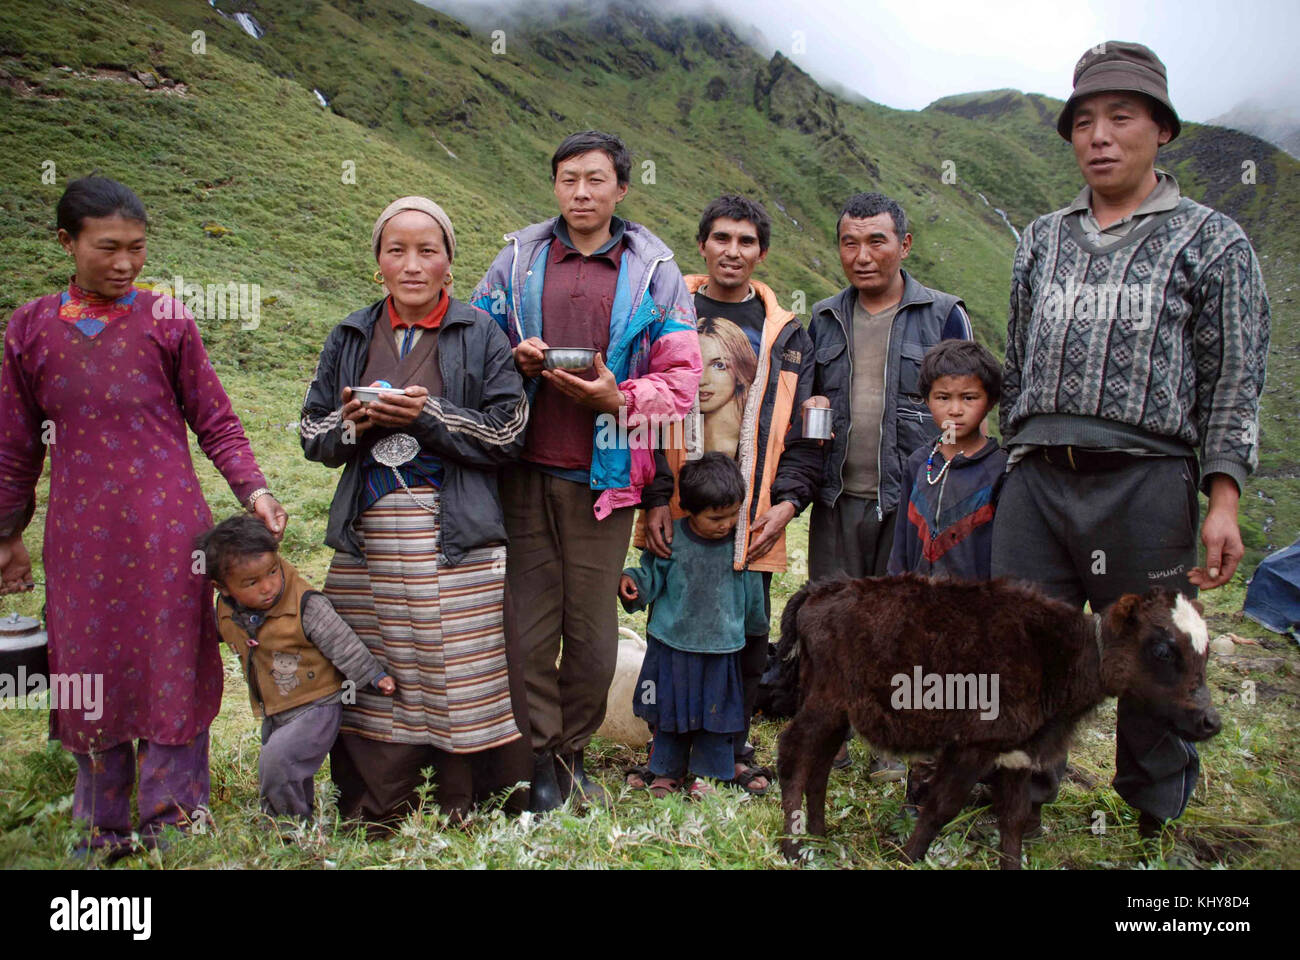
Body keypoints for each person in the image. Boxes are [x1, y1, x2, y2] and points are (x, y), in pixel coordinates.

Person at [993, 41, 1271, 835]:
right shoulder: (1042, 239)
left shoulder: (1213, 241)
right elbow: (1018, 356)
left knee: (1156, 649)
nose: (1099, 136)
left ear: (1162, 130)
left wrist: (1223, 498)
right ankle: (1019, 798)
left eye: (1121, 118)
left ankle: (1154, 816)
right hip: (1039, 477)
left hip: (1147, 480)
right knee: (1026, 645)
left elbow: (1234, 378)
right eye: (1083, 121)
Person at [0, 176, 287, 858]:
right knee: (89, 668)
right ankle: (102, 825)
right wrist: (7, 533)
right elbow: (13, 445)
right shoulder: (32, 328)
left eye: (136, 247)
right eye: (108, 248)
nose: (125, 262)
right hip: (77, 538)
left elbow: (215, 421)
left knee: (173, 666)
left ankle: (173, 819)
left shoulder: (167, 320)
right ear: (67, 242)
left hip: (169, 534)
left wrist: (255, 490)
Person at [471, 131, 701, 811]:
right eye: (568, 178)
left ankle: (571, 753)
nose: (581, 191)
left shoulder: (655, 269)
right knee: (527, 630)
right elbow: (473, 341)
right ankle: (539, 762)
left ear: (621, 189)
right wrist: (513, 357)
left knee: (594, 636)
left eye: (595, 179)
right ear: (555, 185)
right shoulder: (516, 260)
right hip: (521, 470)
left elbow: (682, 381)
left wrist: (618, 398)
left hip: (605, 479)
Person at [300, 195, 530, 830]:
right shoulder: (350, 333)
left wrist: (428, 418)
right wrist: (352, 423)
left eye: (427, 250)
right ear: (378, 262)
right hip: (370, 534)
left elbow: (510, 433)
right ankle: (378, 807)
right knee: (377, 666)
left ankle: (467, 803)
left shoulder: (479, 333)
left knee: (455, 664)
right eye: (396, 250)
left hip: (454, 534)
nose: (411, 263)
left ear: (449, 264)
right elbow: (311, 432)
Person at [635, 194, 821, 795]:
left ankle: (729, 750)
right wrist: (656, 497)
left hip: (753, 514)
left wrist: (787, 503)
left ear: (761, 252)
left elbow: (801, 433)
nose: (732, 251)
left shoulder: (785, 334)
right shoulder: (668, 310)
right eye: (721, 238)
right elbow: (643, 407)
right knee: (672, 627)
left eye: (745, 241)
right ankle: (669, 749)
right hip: (677, 508)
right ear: (703, 244)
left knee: (744, 634)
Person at [808, 191, 973, 774]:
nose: (862, 254)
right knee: (834, 620)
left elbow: (965, 406)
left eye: (876, 240)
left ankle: (896, 745)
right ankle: (838, 733)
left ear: (903, 245)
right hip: (837, 498)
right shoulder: (825, 316)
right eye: (849, 242)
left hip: (914, 502)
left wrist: (950, 488)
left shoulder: (945, 314)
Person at [199, 514, 395, 821]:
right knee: (287, 770)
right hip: (276, 708)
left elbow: (340, 640)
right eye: (252, 582)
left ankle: (289, 827)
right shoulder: (225, 609)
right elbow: (214, 633)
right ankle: (292, 822)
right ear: (222, 587)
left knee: (277, 762)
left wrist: (372, 675)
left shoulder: (305, 604)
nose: (268, 586)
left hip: (317, 704)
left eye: (273, 571)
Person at [618, 453, 767, 798]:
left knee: (715, 718)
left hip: (720, 651)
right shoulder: (673, 540)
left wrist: (755, 630)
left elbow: (753, 598)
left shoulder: (739, 546)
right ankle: (665, 771)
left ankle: (708, 776)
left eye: (733, 515)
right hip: (672, 646)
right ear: (688, 509)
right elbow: (650, 577)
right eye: (717, 518)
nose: (727, 524)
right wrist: (632, 584)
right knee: (668, 712)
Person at [887, 339, 1007, 581]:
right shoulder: (918, 463)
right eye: (943, 397)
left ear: (991, 401)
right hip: (918, 603)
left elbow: (1006, 558)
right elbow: (901, 542)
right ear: (926, 400)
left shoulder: (1001, 470)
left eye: (969, 398)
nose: (955, 409)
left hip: (977, 608)